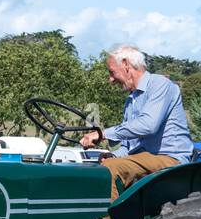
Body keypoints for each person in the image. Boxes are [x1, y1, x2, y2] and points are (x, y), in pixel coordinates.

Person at [80, 45, 192, 200]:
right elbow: (129, 146)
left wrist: (102, 134)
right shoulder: (131, 102)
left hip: (169, 158)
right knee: (97, 168)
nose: (110, 80)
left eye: (112, 72)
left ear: (126, 64)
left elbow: (148, 125)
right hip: (144, 157)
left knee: (109, 169)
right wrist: (112, 154)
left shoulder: (160, 85)